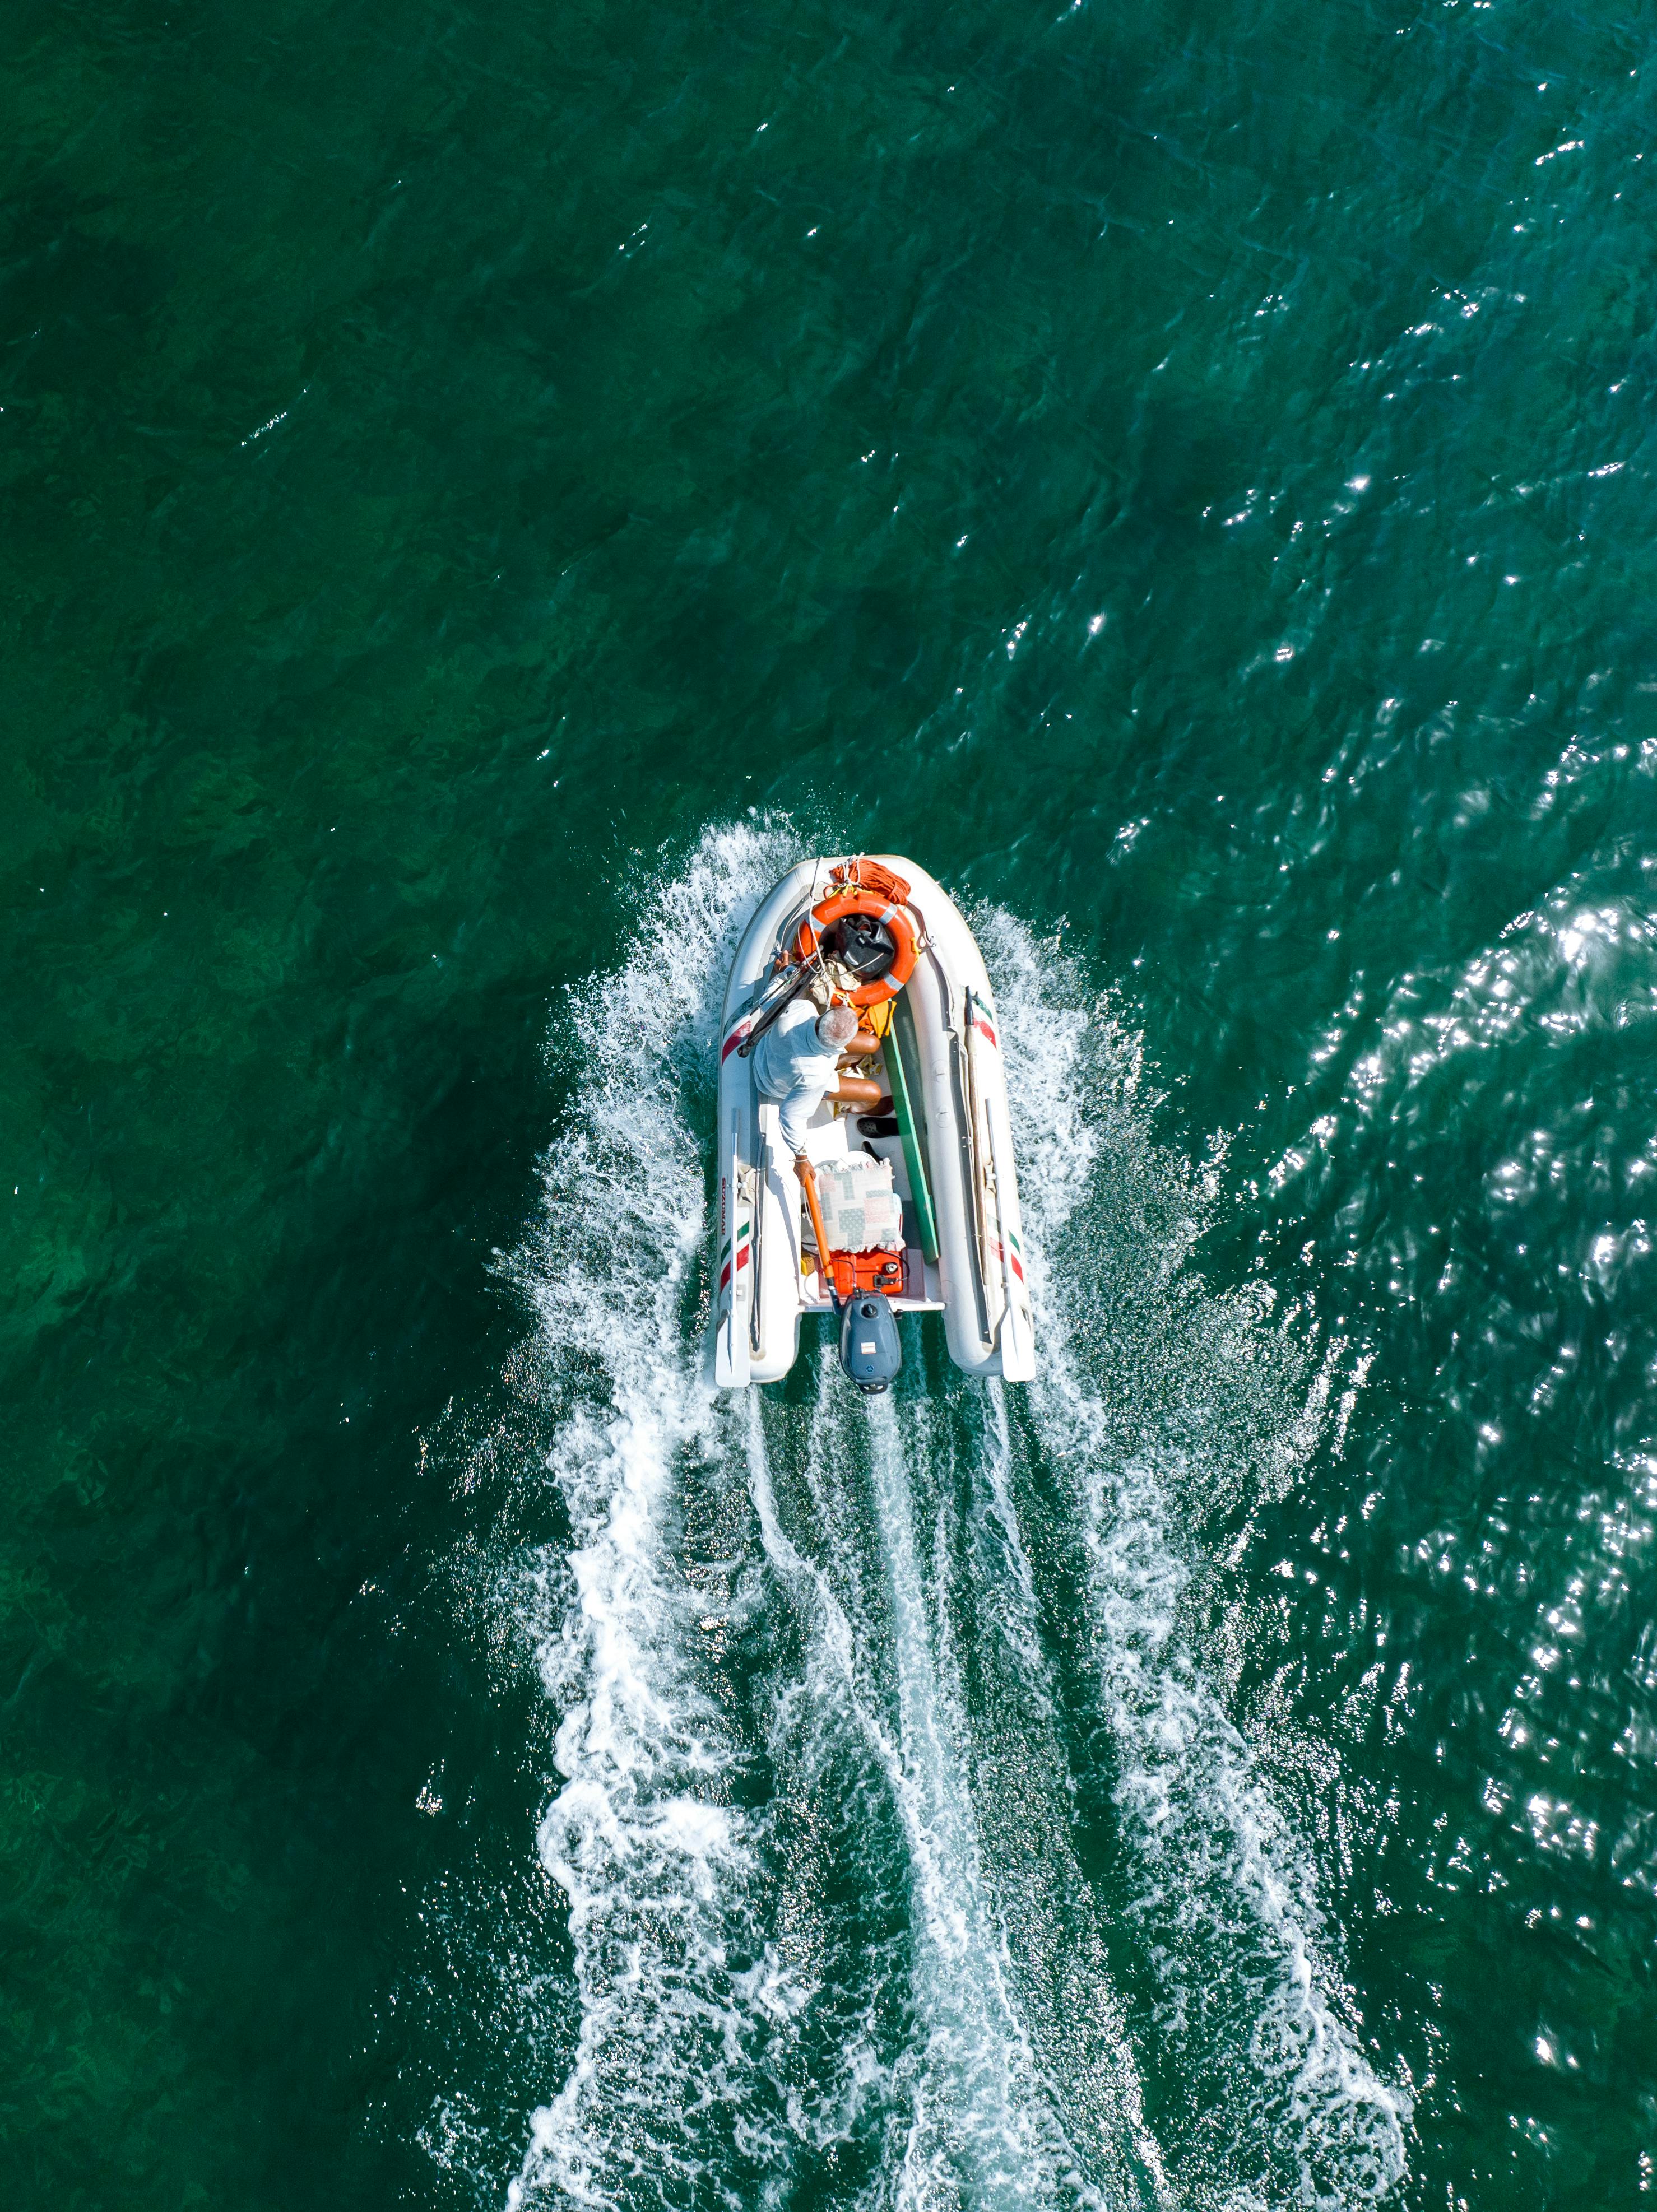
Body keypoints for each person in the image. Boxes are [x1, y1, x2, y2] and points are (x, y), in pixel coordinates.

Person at [753, 999, 860, 1171]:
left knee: (872, 1044)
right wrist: (801, 1158)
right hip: (773, 1083)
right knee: (873, 1092)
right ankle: (857, 1109)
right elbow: (790, 1116)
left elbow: (770, 1000)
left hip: (767, 1053)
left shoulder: (802, 1008)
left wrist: (785, 972)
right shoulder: (815, 1076)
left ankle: (848, 1065)